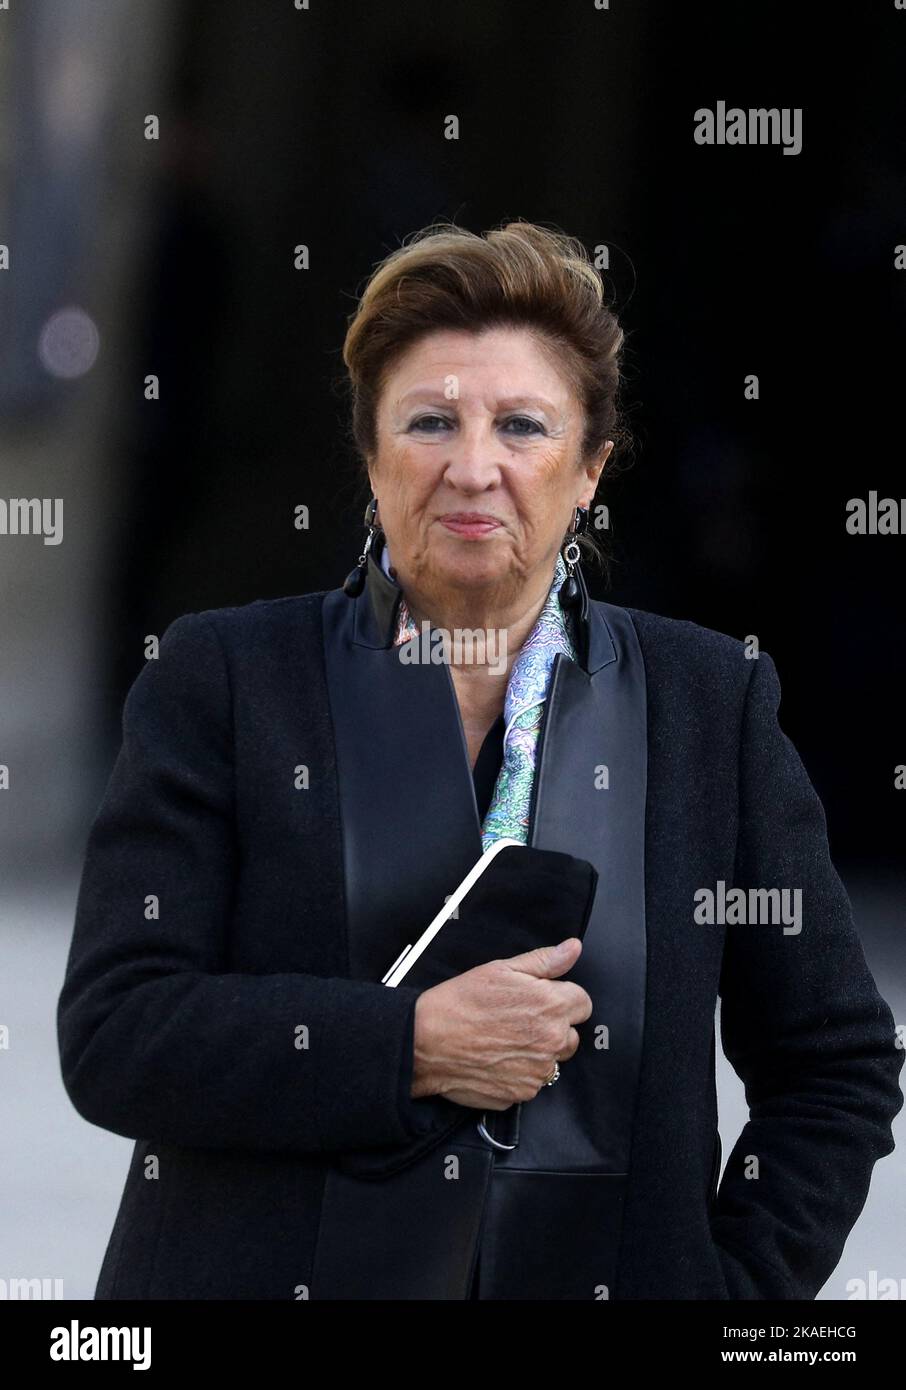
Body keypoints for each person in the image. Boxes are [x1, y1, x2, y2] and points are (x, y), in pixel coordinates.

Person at [57, 220, 903, 1300]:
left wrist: (730, 1289)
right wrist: (406, 1043)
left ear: (590, 468)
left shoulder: (705, 704)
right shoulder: (224, 679)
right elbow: (116, 1032)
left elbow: (835, 1061)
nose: (473, 466)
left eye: (521, 424)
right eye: (428, 421)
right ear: (369, 457)